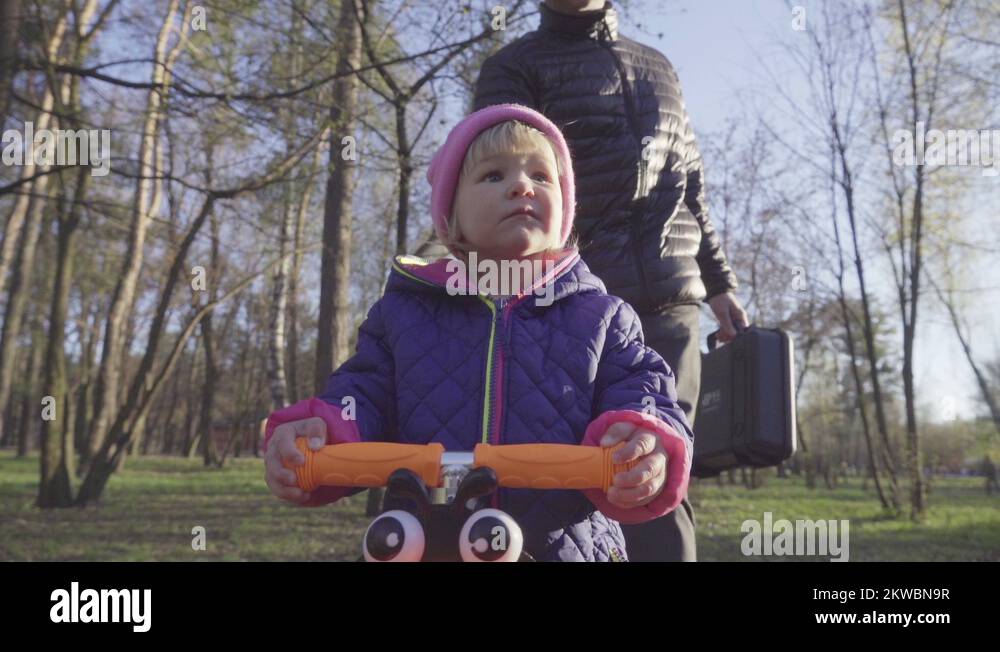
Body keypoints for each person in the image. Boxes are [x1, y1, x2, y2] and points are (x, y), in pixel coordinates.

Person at [262, 104, 694, 562]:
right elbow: (360, 394)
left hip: (564, 547)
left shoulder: (603, 317)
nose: (522, 185)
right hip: (431, 544)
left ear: (563, 210)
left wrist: (644, 441)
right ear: (451, 218)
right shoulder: (402, 314)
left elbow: (645, 392)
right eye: (493, 175)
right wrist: (322, 434)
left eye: (542, 177)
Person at [471, 0, 749, 561]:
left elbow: (690, 183)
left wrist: (720, 283)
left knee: (654, 474)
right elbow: (495, 190)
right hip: (570, 308)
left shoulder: (659, 67)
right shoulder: (514, 67)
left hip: (672, 305)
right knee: (572, 485)